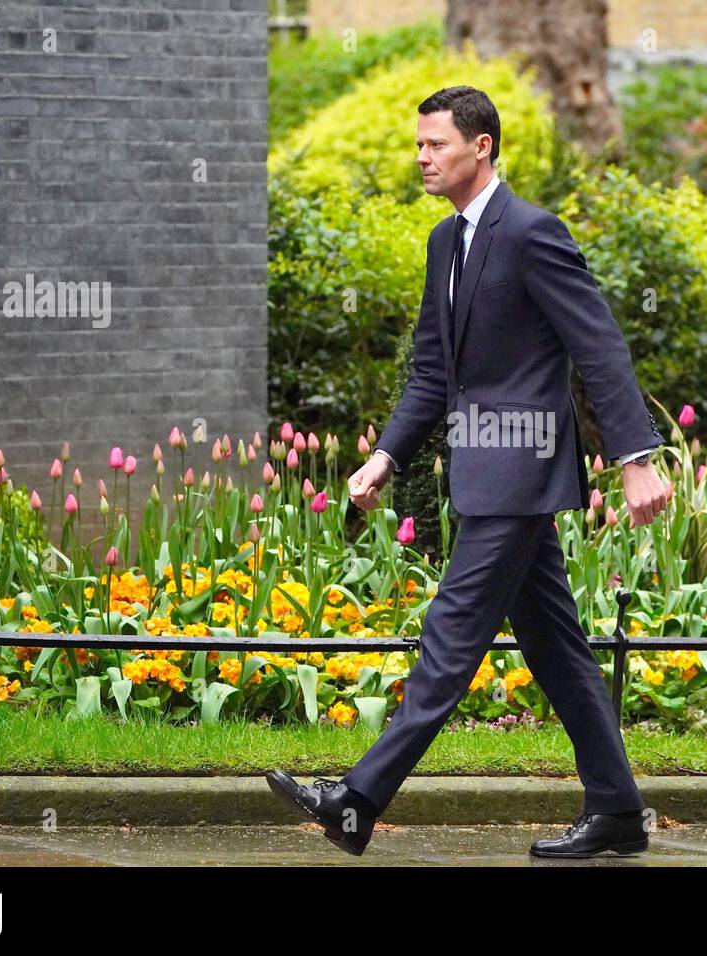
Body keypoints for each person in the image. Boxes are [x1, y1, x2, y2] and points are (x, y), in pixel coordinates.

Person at [266, 85, 667, 858]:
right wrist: (386, 457)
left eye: (436, 145)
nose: (421, 158)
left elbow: (599, 347)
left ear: (481, 147)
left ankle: (356, 801)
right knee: (557, 649)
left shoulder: (533, 233)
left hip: (520, 473)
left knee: (449, 637)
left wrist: (635, 459)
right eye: (418, 146)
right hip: (481, 470)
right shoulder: (444, 244)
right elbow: (431, 372)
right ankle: (618, 809)